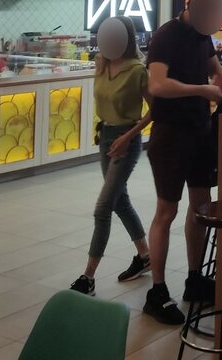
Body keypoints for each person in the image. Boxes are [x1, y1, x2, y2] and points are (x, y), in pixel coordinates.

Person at [142, 0, 222, 325]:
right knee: (166, 211)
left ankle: (195, 279)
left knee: (200, 208)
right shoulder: (167, 36)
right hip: (170, 135)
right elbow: (157, 84)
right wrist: (202, 91)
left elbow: (215, 68)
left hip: (200, 132)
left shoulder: (203, 36)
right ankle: (157, 291)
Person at [69, 16, 152, 297]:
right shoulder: (101, 64)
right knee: (120, 201)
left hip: (125, 141)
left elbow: (154, 110)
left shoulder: (138, 71)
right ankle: (145, 256)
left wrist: (128, 136)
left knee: (103, 207)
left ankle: (88, 277)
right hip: (105, 136)